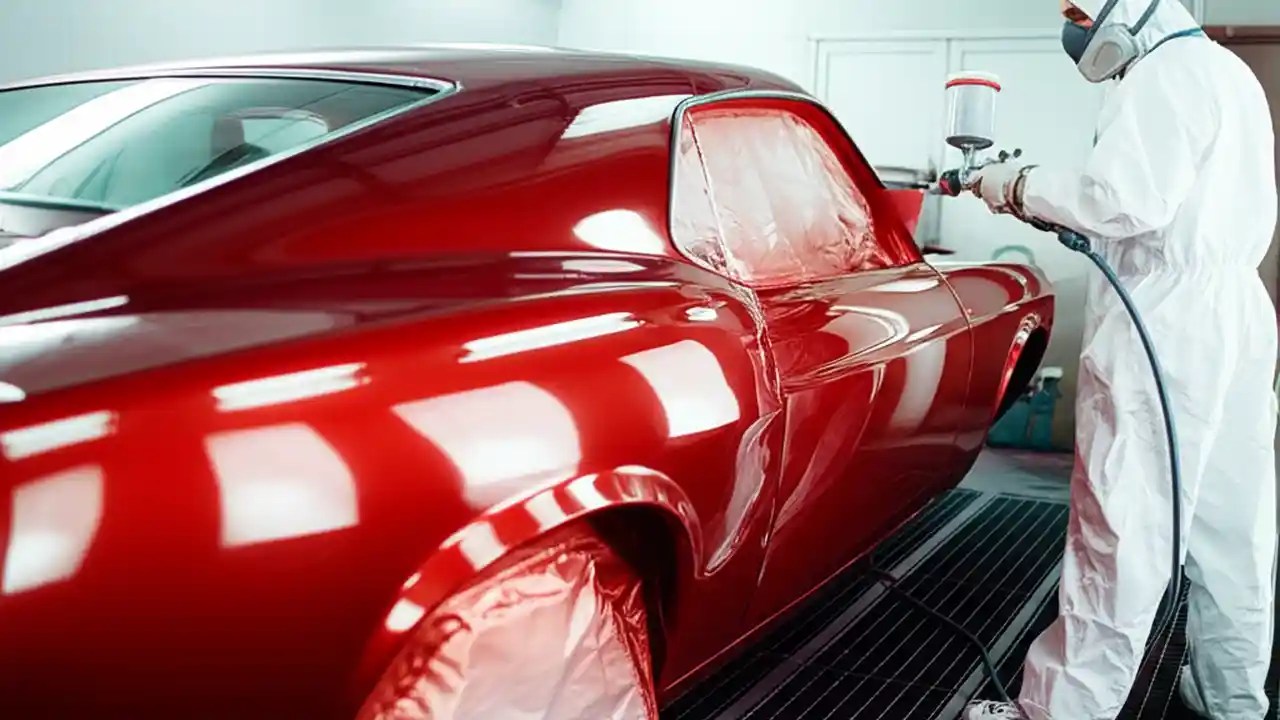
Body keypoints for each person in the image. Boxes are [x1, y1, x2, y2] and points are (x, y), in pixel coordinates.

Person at [961, 0, 1279, 718]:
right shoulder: (1229, 74)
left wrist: (1015, 184)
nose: (1073, 25)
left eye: (1078, 8)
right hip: (1234, 313)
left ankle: (1061, 711)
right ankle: (1234, 700)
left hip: (1163, 322)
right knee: (1234, 529)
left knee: (1122, 525)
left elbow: (1122, 200)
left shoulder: (1161, 75)